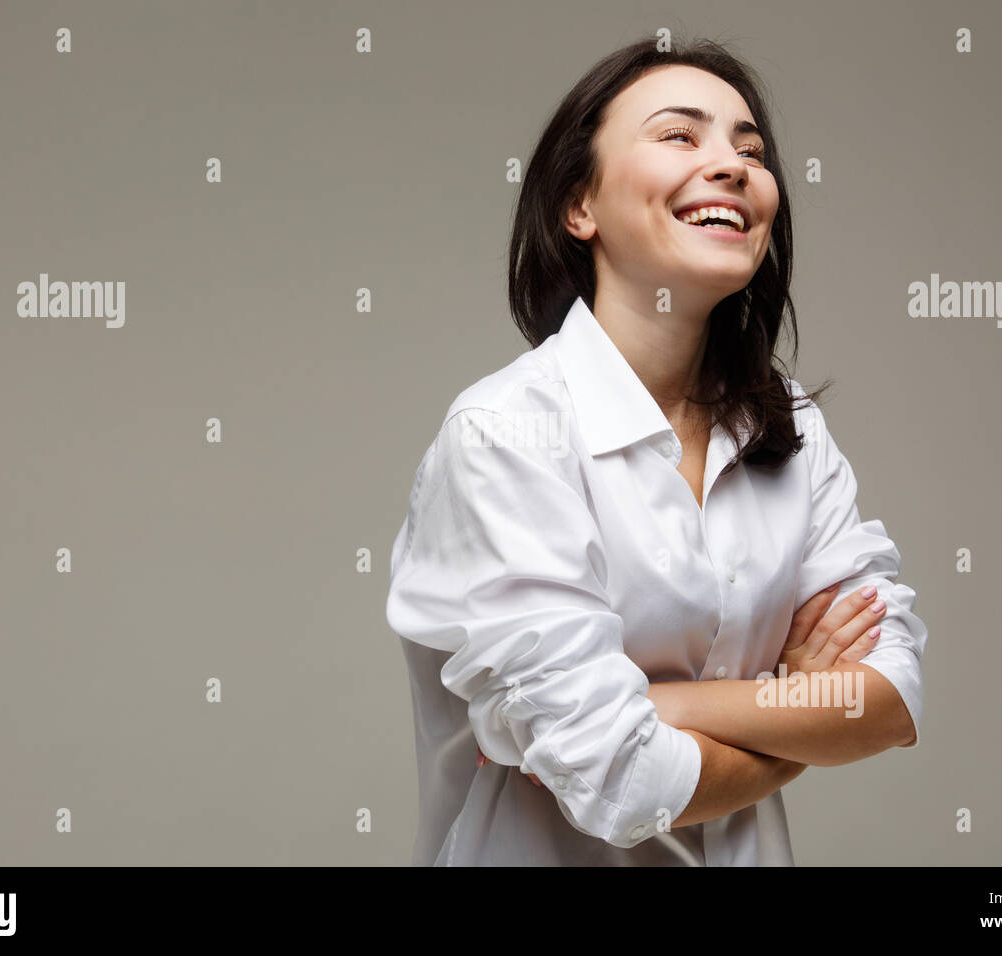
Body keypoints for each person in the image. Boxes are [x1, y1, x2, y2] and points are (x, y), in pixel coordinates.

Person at [384, 36, 927, 866]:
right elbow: (619, 777)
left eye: (751, 150)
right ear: (579, 206)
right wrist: (788, 703)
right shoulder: (504, 432)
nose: (733, 165)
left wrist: (663, 703)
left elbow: (886, 703)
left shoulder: (788, 427)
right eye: (680, 135)